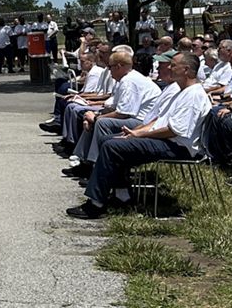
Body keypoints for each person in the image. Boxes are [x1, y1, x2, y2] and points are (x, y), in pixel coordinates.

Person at [68, 53, 210, 219]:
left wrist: (140, 135)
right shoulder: (181, 91)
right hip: (167, 140)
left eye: (173, 65)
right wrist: (136, 132)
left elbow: (174, 130)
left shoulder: (193, 95)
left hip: (177, 147)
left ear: (186, 70)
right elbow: (159, 120)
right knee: (108, 140)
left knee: (112, 146)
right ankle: (122, 196)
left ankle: (95, 204)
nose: (169, 68)